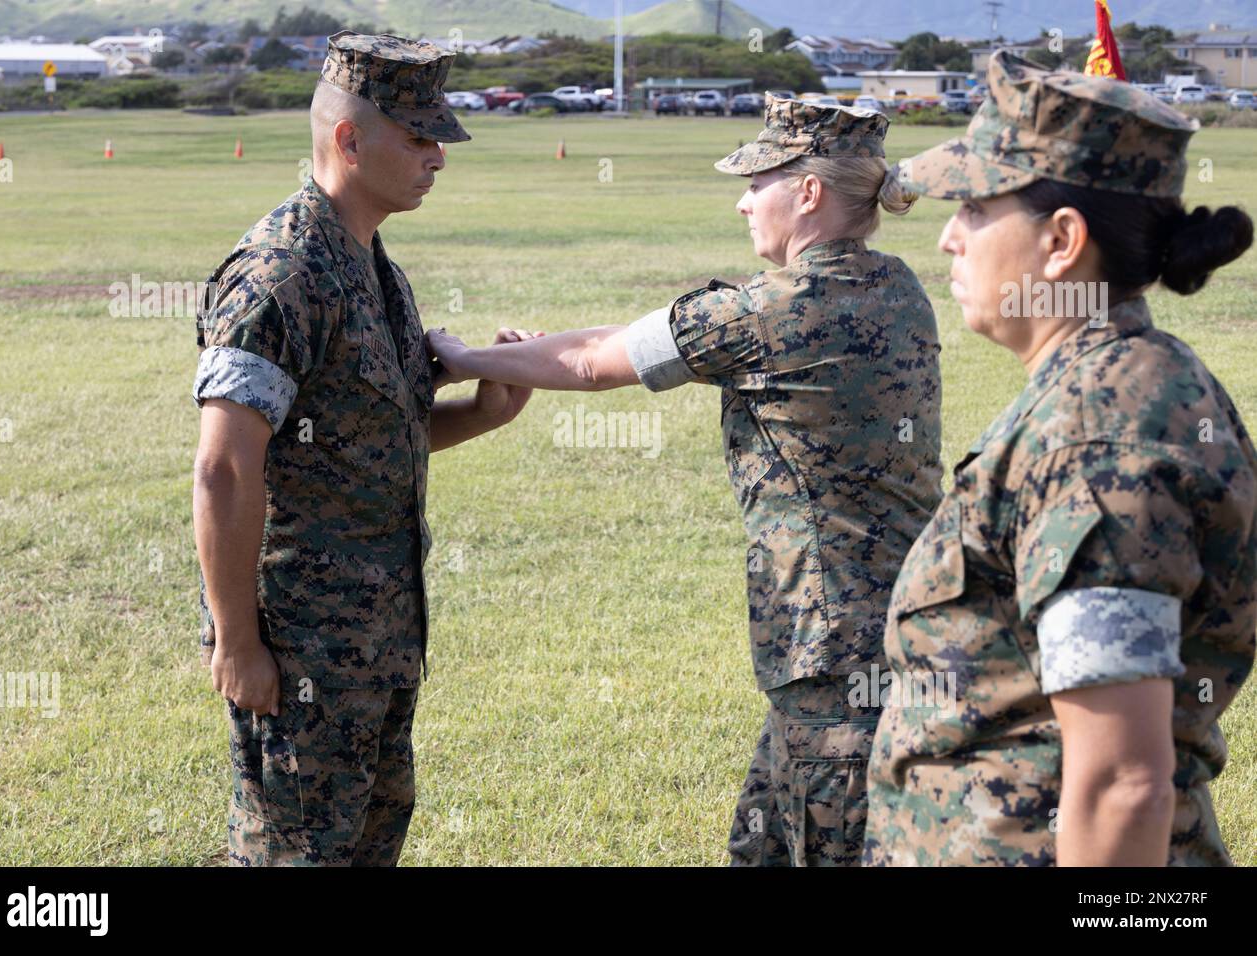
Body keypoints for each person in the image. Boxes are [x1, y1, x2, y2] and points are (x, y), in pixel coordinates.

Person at [427, 97, 944, 865]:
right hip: (902, 628)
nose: (741, 200)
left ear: (807, 193)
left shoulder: (770, 312)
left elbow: (592, 359)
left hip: (830, 649)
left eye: (757, 181)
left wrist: (464, 358)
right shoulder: (899, 288)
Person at [863, 51, 1256, 866]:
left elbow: (1121, 781)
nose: (947, 238)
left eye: (973, 206)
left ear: (1061, 242)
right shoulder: (1108, 382)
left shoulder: (1099, 436)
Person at [191, 32, 535, 866]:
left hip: (379, 641)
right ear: (348, 139)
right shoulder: (280, 276)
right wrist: (237, 643)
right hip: (302, 649)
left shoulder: (372, 263)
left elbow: (376, 436)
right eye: (419, 137)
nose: (438, 158)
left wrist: (483, 413)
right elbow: (225, 468)